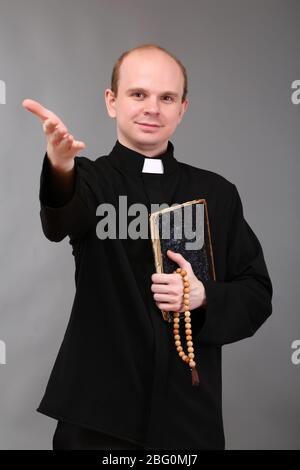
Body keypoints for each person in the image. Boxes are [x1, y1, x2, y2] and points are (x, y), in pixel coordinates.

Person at [23, 43, 273, 450]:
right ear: (112, 101)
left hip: (188, 416)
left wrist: (203, 296)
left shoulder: (217, 194)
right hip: (97, 416)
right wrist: (60, 164)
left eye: (166, 98)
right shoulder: (91, 181)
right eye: (138, 94)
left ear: (182, 109)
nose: (152, 108)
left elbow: (257, 294)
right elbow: (59, 222)